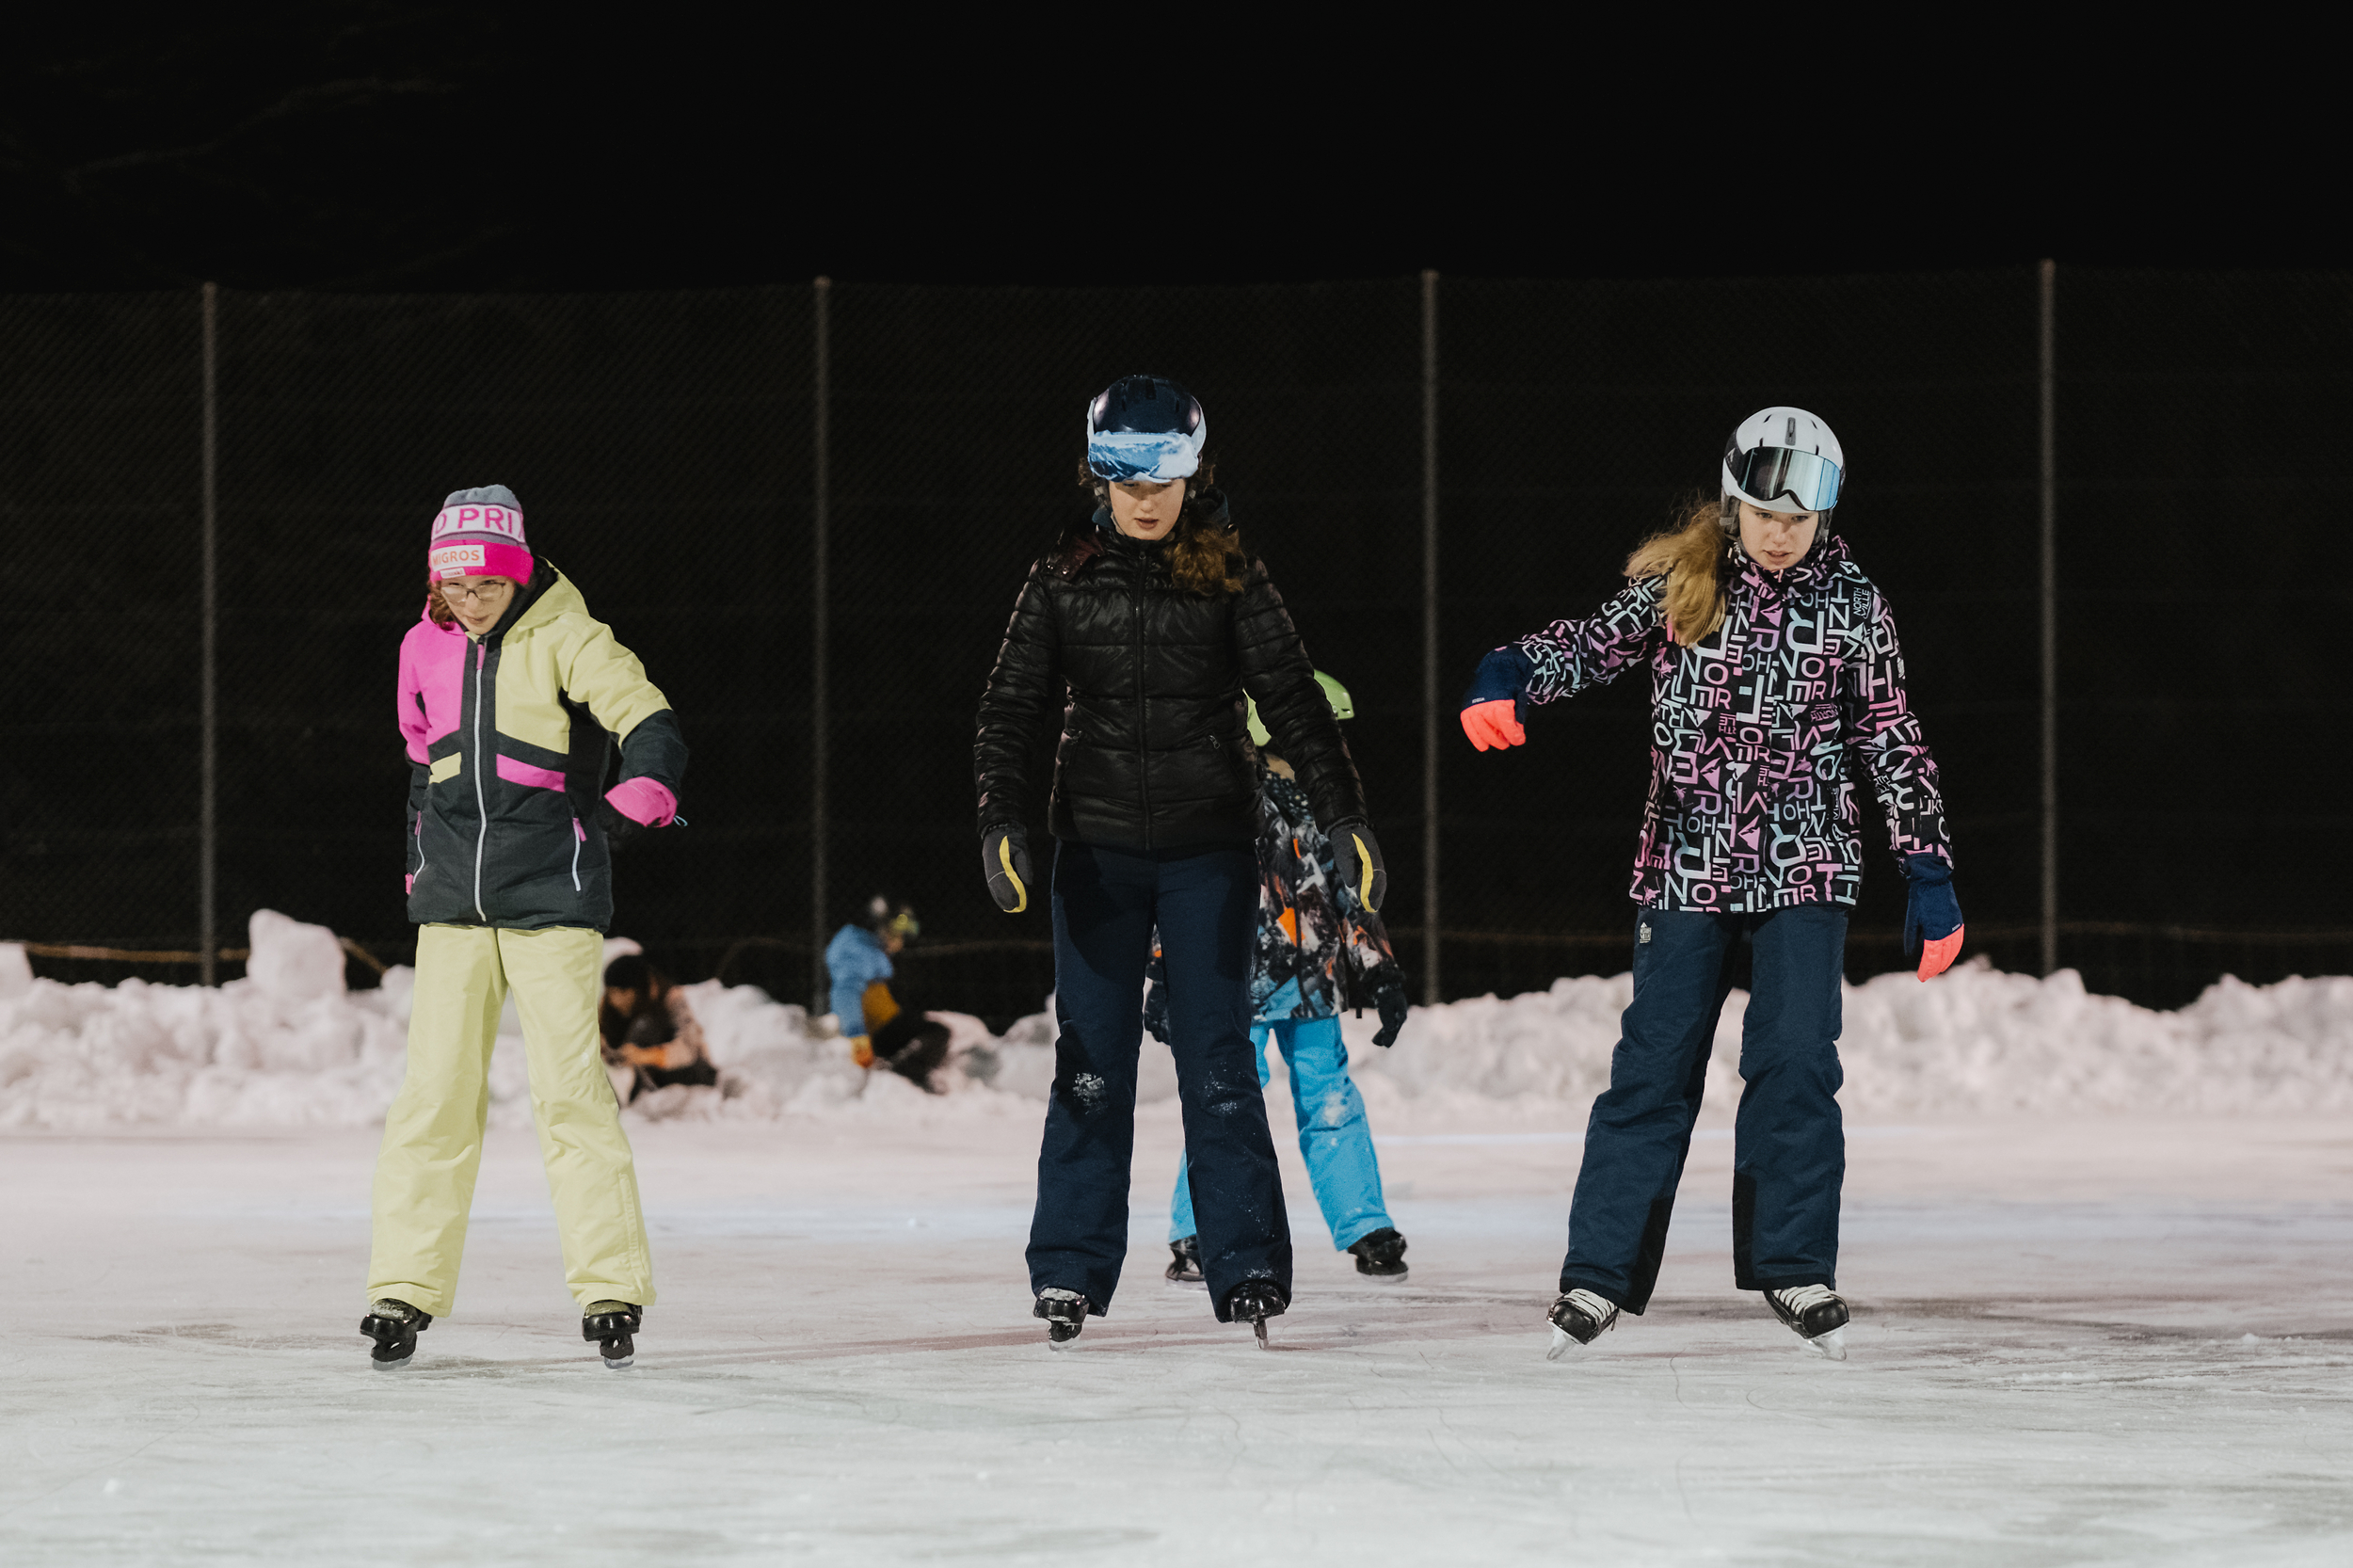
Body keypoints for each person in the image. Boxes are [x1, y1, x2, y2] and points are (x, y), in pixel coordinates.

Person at [1460, 408, 1963, 1363]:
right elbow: (1583, 645)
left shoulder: (1853, 604)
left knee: (1794, 1060)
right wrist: (1507, 674)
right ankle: (1596, 1275)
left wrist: (1927, 870)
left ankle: (1793, 1263)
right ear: (1734, 503)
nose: (1780, 531)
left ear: (1825, 511)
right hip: (1685, 870)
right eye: (1764, 511)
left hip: (1806, 868)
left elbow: (1890, 741)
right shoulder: (1684, 584)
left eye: (1799, 514)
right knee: (1651, 1067)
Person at [974, 374, 1388, 1349]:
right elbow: (1009, 709)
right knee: (1091, 1065)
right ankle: (1069, 1267)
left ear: (1195, 471)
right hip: (1097, 858)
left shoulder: (1232, 574)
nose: (1145, 492)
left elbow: (1291, 699)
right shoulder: (1060, 577)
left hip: (1207, 854)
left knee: (1218, 1062)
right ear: (1097, 472)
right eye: (1124, 470)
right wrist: (1000, 820)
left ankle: (1245, 1265)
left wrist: (1343, 818)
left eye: (1165, 469)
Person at [364, 485, 687, 1372]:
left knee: (569, 1093)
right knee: (434, 1094)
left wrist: (644, 787)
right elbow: (420, 766)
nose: (469, 603)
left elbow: (648, 717)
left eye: (486, 588)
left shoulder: (568, 636)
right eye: (453, 588)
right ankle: (403, 1284)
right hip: (453, 908)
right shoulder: (420, 645)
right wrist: (415, 861)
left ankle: (610, 1285)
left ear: (516, 573)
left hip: (552, 896)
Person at [1150, 674, 1414, 1286]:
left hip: (1313, 985)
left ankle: (1365, 1224)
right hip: (1234, 986)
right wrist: (1166, 978)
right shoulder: (1224, 801)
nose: (1333, 749)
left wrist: (1382, 972)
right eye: (1324, 734)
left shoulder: (1326, 808)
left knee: (1331, 1101)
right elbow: (1182, 895)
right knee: (1227, 1099)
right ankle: (1196, 1228)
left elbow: (1352, 896)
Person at [824, 896, 951, 1089]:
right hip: (878, 1031)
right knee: (938, 1032)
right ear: (879, 926)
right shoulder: (857, 951)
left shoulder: (869, 950)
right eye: (895, 933)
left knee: (927, 1027)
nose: (899, 940)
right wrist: (859, 1041)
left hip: (885, 1024)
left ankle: (904, 1071)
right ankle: (905, 1074)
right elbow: (846, 995)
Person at [600, 952, 719, 1102]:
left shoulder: (672, 1000)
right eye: (611, 992)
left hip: (691, 1077)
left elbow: (689, 1049)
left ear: (639, 988)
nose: (615, 1000)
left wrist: (645, 1056)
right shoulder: (609, 1006)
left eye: (622, 992)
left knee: (643, 1026)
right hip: (641, 1085)